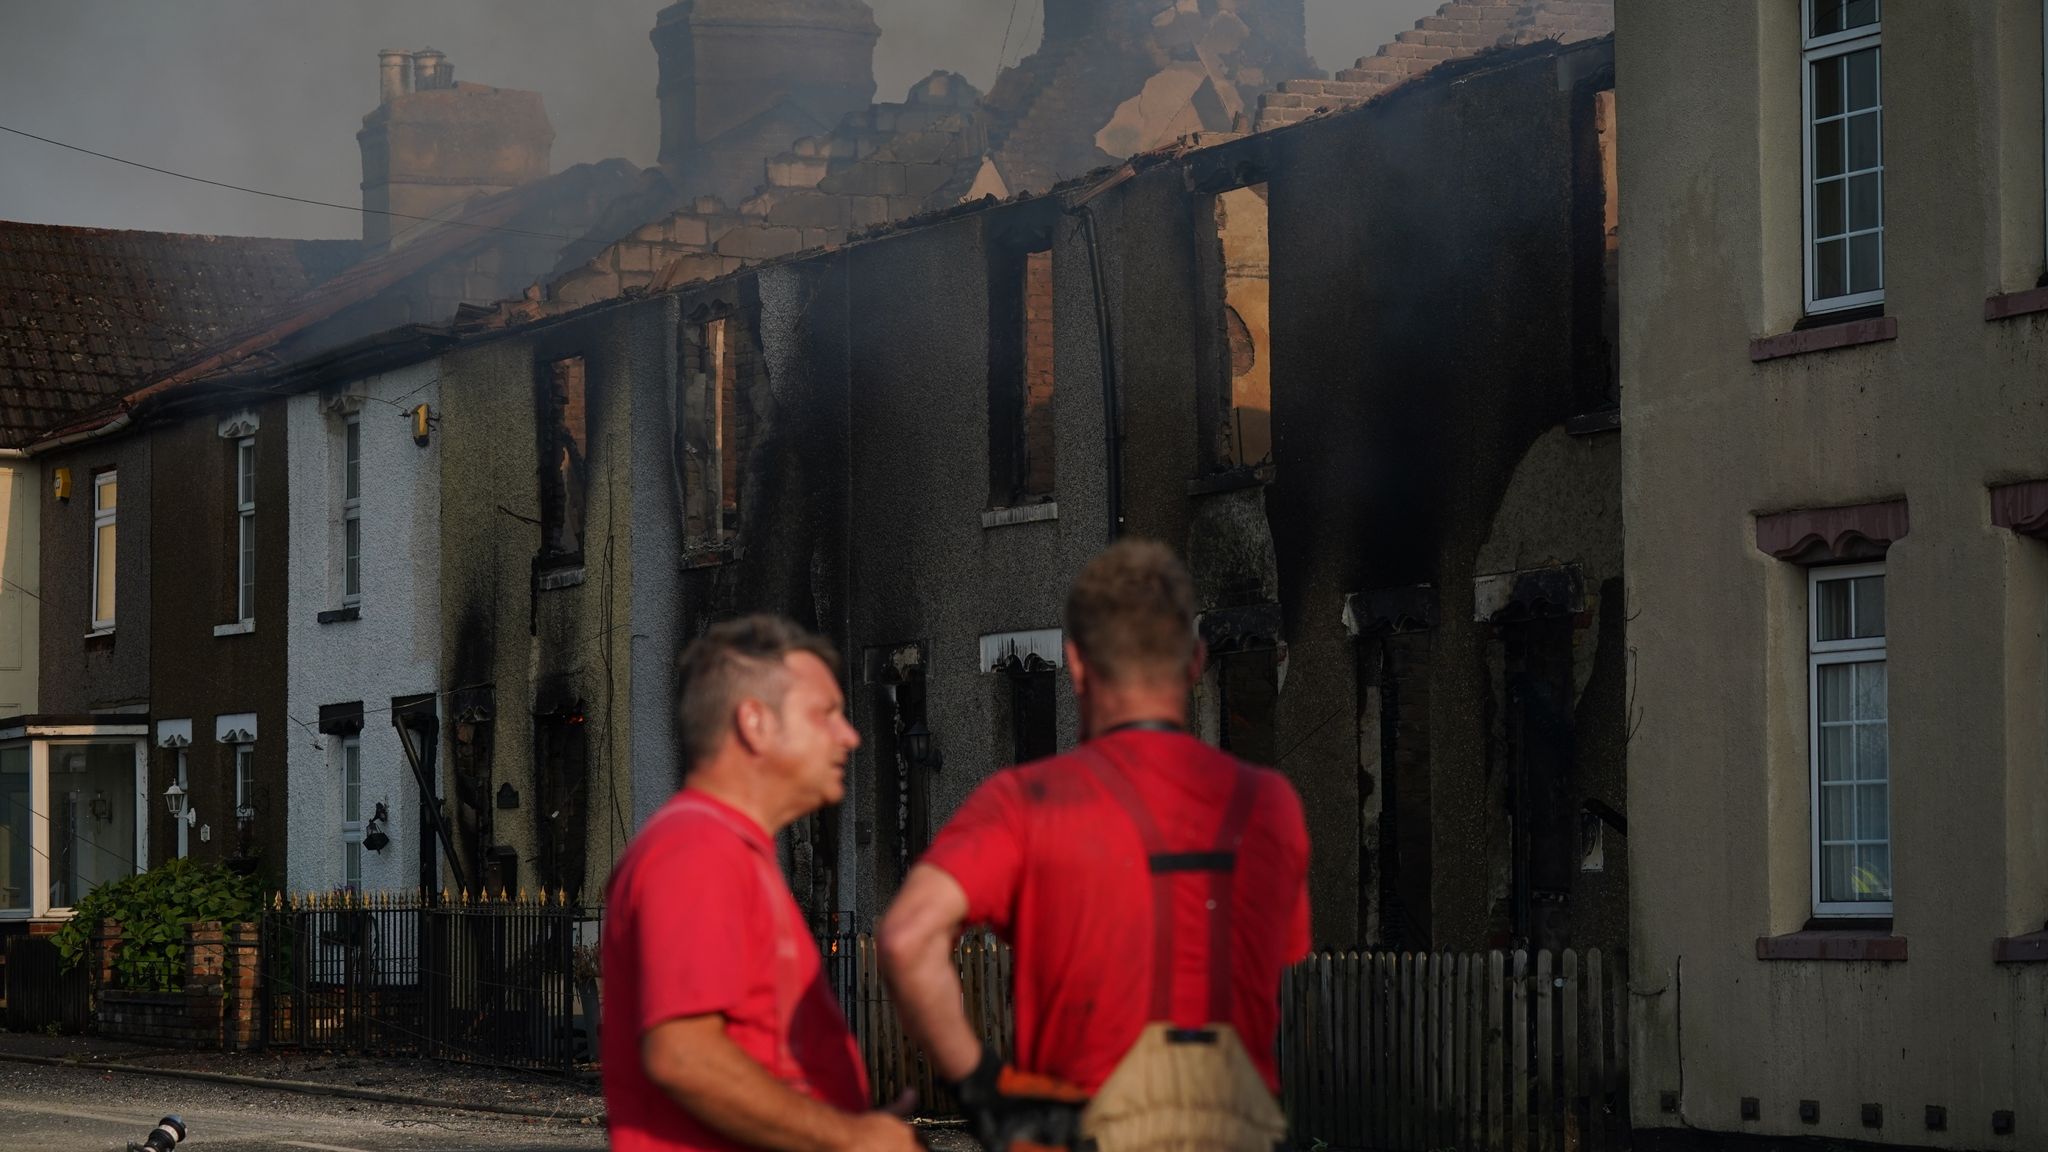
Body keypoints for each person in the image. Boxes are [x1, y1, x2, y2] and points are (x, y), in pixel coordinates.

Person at [880, 541, 1312, 1152]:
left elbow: (906, 936)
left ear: (1076, 665)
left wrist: (985, 1089)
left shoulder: (1026, 803)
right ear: (1195, 661)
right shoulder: (1268, 807)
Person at [603, 615, 921, 1152]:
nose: (851, 736)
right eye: (825, 714)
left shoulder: (725, 850)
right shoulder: (698, 848)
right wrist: (852, 1137)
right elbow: (684, 1054)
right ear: (754, 722)